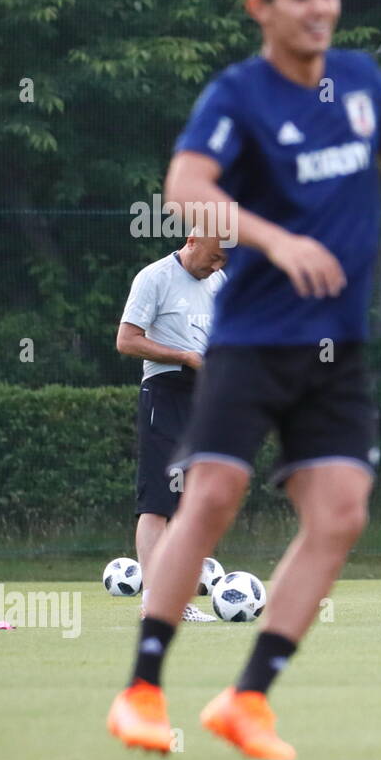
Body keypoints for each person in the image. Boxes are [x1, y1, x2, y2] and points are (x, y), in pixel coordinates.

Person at [106, 0, 381, 760]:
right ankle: (141, 691)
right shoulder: (238, 95)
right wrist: (277, 240)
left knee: (340, 515)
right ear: (261, 8)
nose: (320, 8)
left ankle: (246, 698)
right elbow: (186, 186)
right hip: (252, 340)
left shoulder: (363, 81)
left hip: (337, 346)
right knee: (211, 498)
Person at [117, 235, 226, 623]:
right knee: (158, 502)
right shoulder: (155, 277)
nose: (216, 267)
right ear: (193, 239)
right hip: (166, 392)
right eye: (213, 258)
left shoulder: (219, 282)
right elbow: (126, 341)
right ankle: (156, 604)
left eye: (223, 261)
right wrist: (183, 355)